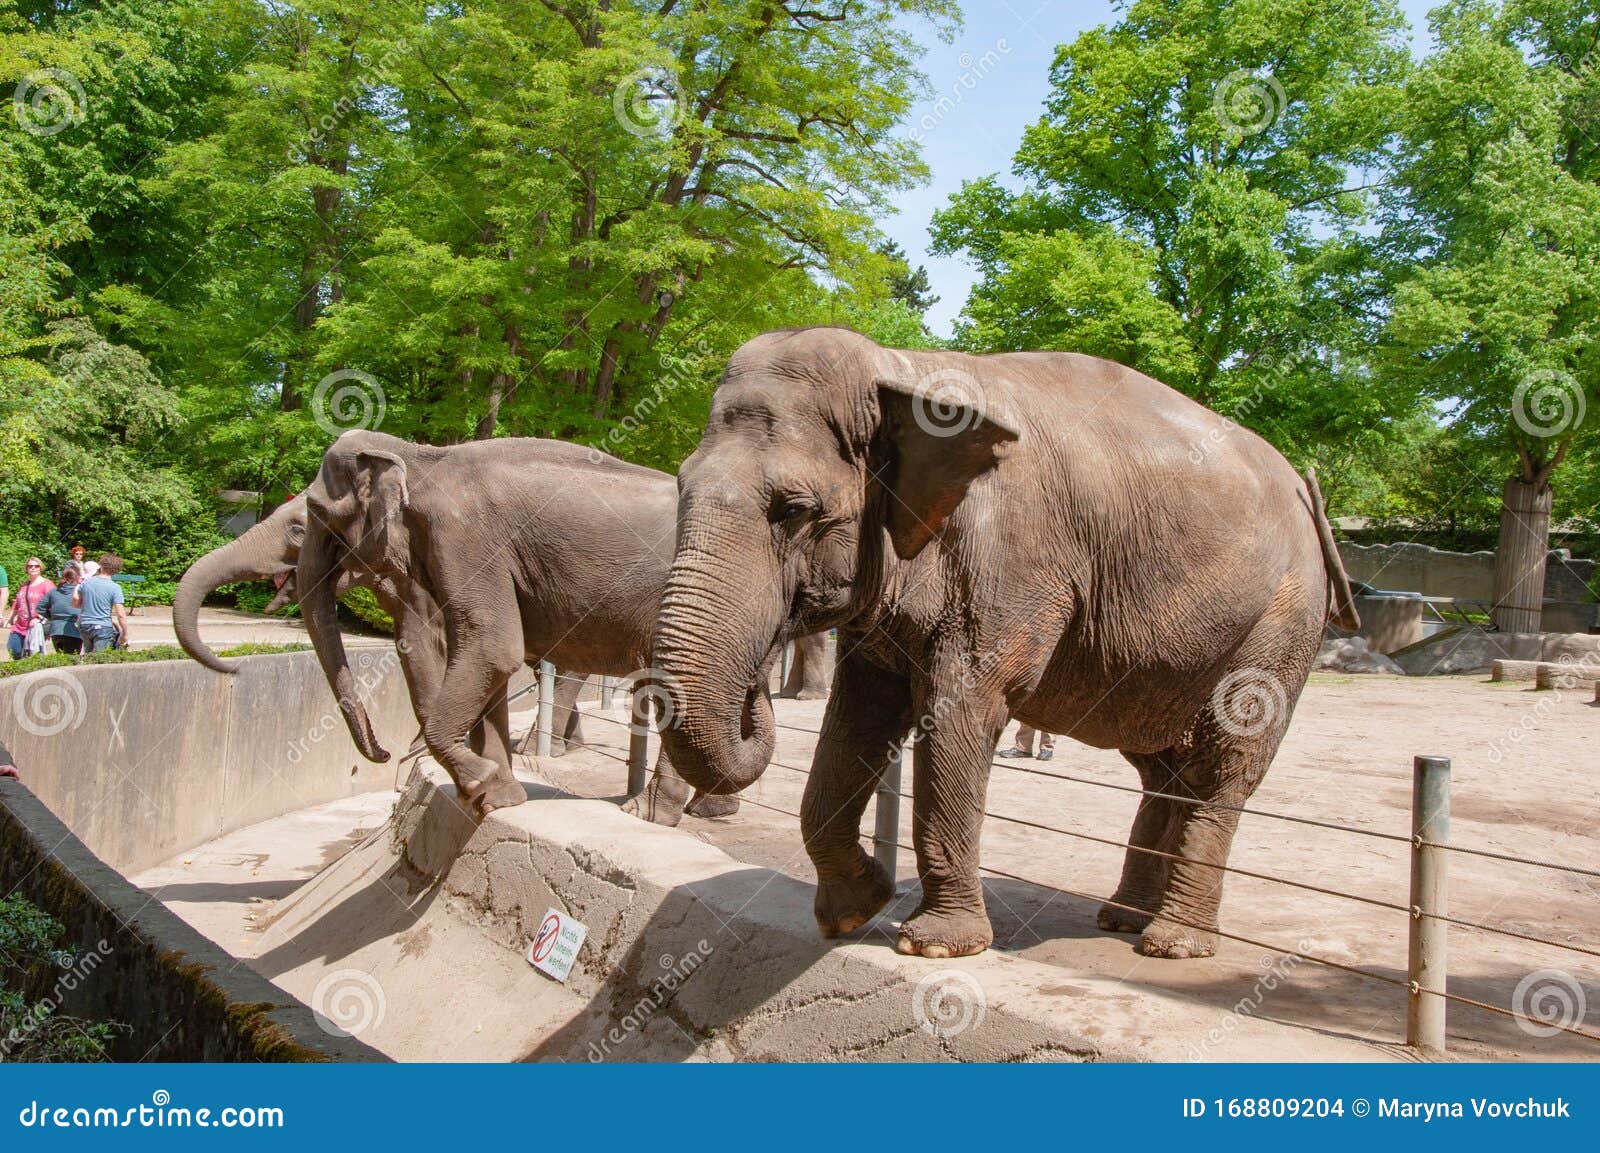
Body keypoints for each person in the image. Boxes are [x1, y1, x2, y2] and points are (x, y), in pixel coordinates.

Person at [73, 553, 129, 654]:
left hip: (85, 625)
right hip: (103, 626)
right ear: (117, 570)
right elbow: (120, 614)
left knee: (88, 655)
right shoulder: (115, 587)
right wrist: (125, 633)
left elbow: (76, 602)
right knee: (99, 659)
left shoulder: (86, 582)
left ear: (101, 566)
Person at [6, 558, 54, 660]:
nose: (33, 568)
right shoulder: (24, 585)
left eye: (36, 566)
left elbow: (53, 604)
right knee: (13, 649)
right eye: (30, 566)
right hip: (20, 625)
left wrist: (38, 618)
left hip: (36, 626)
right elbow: (17, 604)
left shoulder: (47, 584)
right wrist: (10, 618)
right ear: (26, 568)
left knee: (32, 655)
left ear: (41, 568)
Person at [39, 563, 84, 655]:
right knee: (72, 661)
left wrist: (53, 617)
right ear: (77, 577)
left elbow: (40, 608)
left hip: (56, 630)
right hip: (74, 630)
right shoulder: (80, 592)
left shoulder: (53, 591)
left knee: (61, 658)